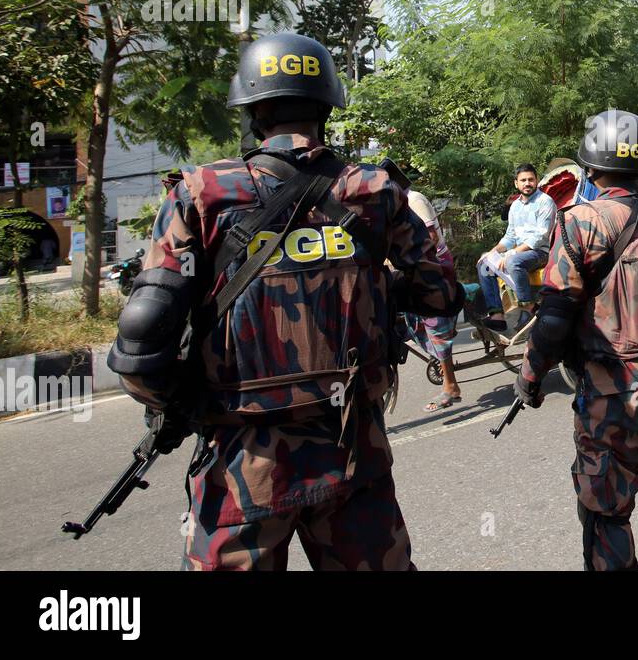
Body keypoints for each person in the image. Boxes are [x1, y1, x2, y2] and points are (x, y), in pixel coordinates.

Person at [106, 32, 462, 570]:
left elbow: (143, 328)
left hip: (241, 457)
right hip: (351, 447)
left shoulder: (202, 191)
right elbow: (441, 292)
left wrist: (175, 406)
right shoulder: (373, 190)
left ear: (252, 111)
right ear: (325, 106)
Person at [515, 110, 638, 571]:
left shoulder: (580, 221)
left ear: (589, 166)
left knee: (605, 505)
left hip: (613, 390)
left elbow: (552, 321)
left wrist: (530, 377)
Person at [382, 160, 463, 412]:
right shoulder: (398, 205)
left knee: (432, 320)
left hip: (434, 267)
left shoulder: (413, 199)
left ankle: (451, 385)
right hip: (414, 267)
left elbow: (431, 237)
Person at [477, 164, 555, 334]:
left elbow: (540, 236)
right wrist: (493, 251)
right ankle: (497, 315)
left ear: (537, 181)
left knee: (513, 260)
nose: (527, 183)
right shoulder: (515, 206)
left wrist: (512, 252)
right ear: (516, 184)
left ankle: (529, 308)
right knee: (484, 264)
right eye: (523, 180)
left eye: (531, 179)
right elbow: (510, 236)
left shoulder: (545, 201)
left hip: (539, 253)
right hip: (520, 253)